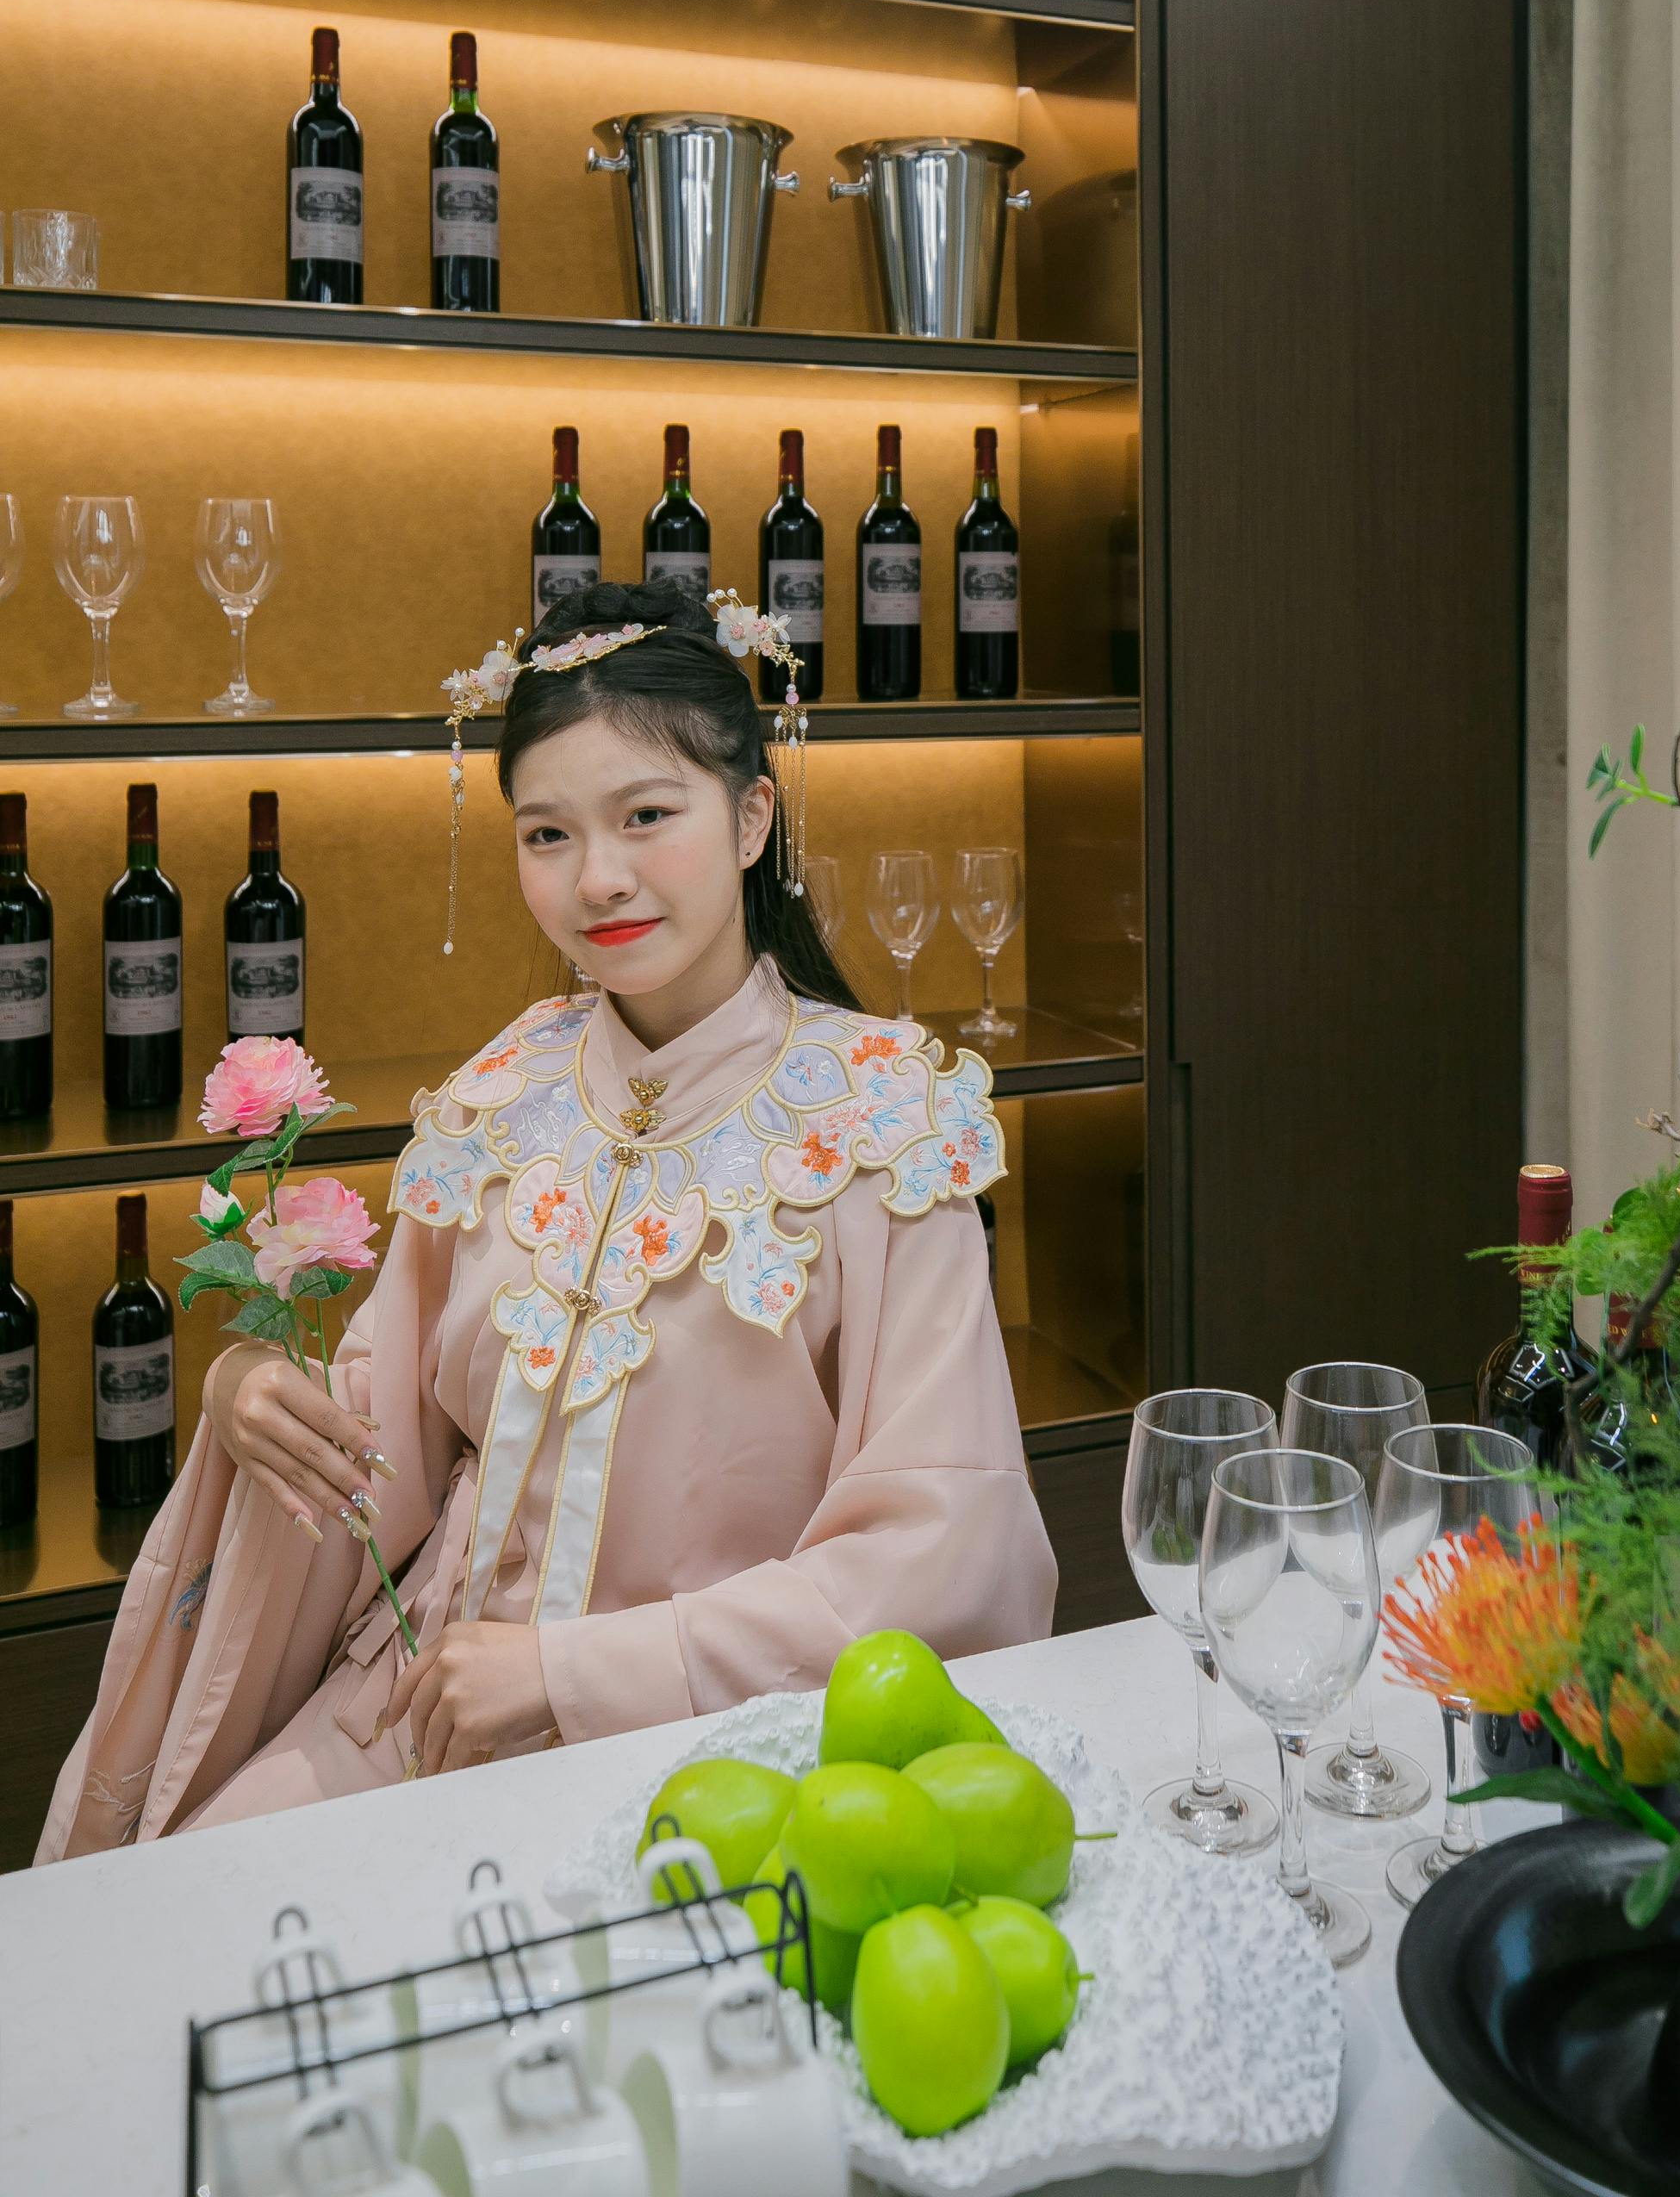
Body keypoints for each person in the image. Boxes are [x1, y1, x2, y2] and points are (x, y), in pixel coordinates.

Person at [39, 585, 1054, 1855]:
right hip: (414, 1710)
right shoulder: (498, 1101)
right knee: (174, 1927)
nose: (600, 880)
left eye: (647, 816)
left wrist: (573, 1673)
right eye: (548, 835)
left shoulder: (884, 1128)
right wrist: (255, 1393)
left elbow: (947, 1552)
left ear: (750, 818)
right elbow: (384, 1445)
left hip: (714, 1749)